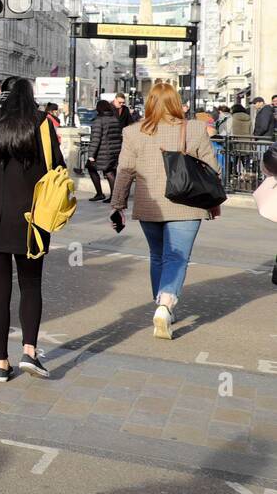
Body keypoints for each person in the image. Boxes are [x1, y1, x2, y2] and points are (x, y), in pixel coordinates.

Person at [0, 77, 66, 382]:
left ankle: (0, 362)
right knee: (31, 286)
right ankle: (30, 352)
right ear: (29, 96)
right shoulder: (42, 123)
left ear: (0, 94)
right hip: (32, 217)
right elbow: (57, 169)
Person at [110, 81, 221, 341]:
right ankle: (165, 305)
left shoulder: (133, 132)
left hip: (150, 206)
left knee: (158, 256)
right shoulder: (194, 128)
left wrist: (118, 205)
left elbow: (124, 171)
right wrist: (214, 201)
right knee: (177, 257)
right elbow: (212, 169)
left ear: (149, 104)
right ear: (176, 102)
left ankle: (160, 304)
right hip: (188, 203)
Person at [85, 99, 122, 202]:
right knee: (110, 171)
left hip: (103, 151)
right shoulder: (115, 119)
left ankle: (101, 194)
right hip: (114, 151)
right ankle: (114, 196)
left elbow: (95, 139)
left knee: (93, 168)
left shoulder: (99, 120)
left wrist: (91, 155)